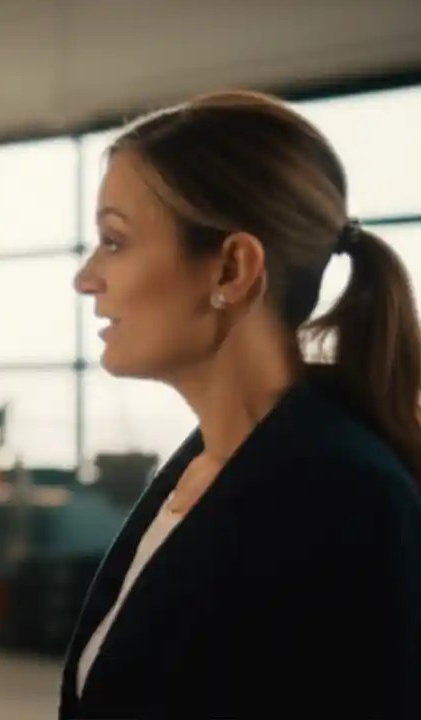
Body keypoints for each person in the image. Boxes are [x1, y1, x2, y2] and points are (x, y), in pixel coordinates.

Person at [64, 89, 421, 718]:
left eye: (114, 242)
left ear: (231, 269)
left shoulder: (347, 499)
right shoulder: (205, 466)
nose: (86, 277)